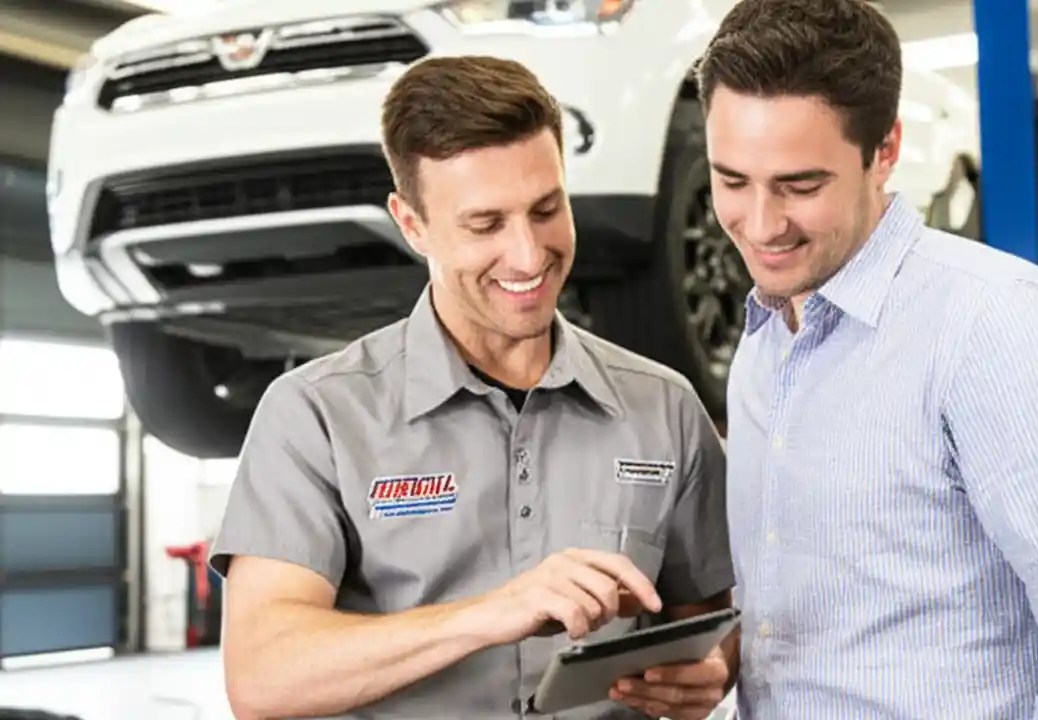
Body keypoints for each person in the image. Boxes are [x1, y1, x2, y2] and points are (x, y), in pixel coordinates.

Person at [694, 0, 1038, 717]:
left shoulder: (997, 326)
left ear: (886, 150)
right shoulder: (763, 346)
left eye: (801, 186)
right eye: (732, 180)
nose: (760, 223)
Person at [209, 55, 737, 720]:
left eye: (547, 209)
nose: (528, 254)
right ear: (411, 223)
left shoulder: (664, 409)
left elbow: (714, 621)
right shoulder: (317, 415)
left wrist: (711, 670)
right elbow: (263, 677)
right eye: (486, 225)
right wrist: (493, 613)